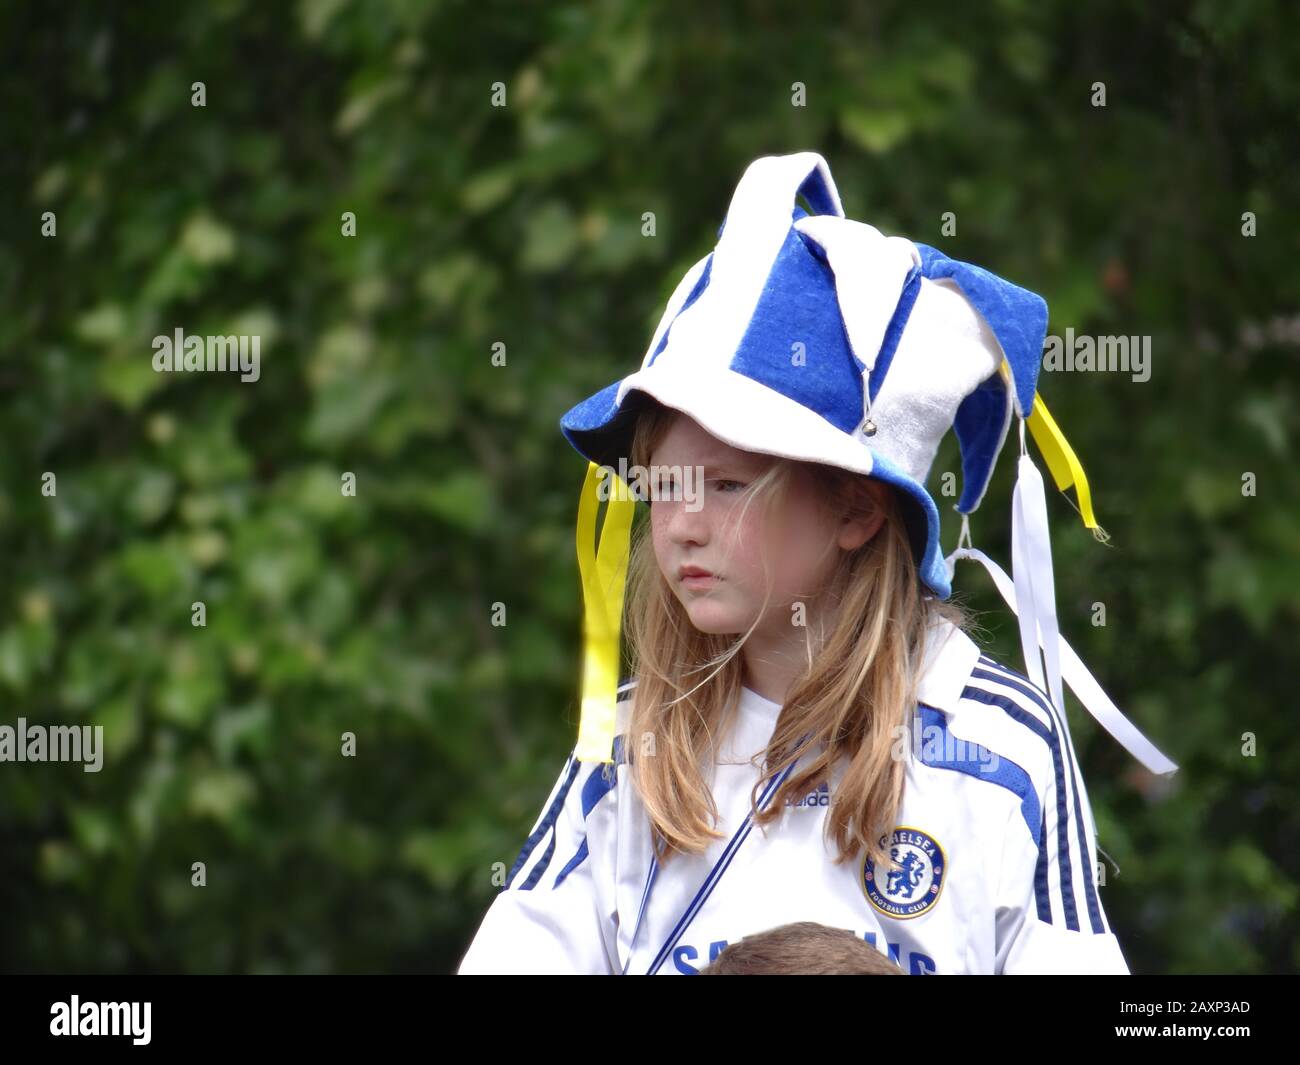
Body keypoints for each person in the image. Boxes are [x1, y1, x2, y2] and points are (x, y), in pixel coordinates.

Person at [456, 151, 1175, 976]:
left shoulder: (1000, 746)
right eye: (664, 485)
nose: (681, 525)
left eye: (726, 486)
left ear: (858, 509)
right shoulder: (626, 747)